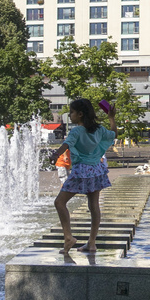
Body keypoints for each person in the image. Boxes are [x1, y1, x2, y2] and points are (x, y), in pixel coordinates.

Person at [55, 98, 115, 253]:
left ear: (80, 114)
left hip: (81, 171)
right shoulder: (99, 129)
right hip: (97, 170)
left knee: (59, 203)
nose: (70, 115)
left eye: (72, 112)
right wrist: (111, 118)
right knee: (94, 206)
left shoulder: (77, 131)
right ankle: (92, 242)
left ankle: (68, 237)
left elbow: (67, 143)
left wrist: (56, 154)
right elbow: (113, 134)